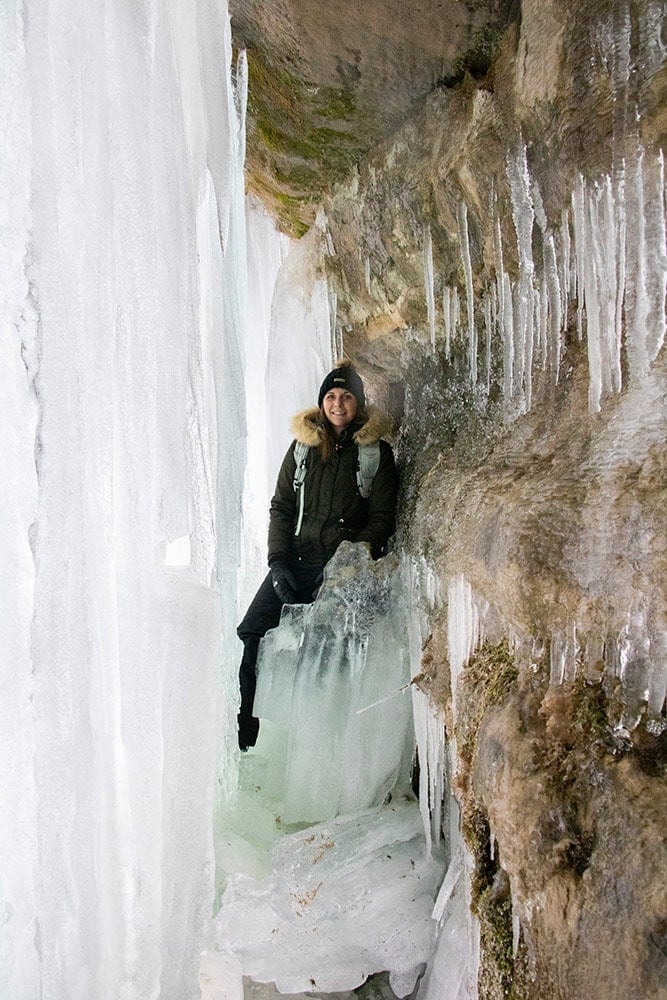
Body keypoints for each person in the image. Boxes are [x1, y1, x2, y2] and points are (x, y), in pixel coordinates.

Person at [237, 361, 399, 750]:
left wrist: (347, 562)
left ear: (358, 403)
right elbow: (281, 507)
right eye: (331, 396)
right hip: (296, 562)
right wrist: (278, 563)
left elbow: (382, 518)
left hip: (342, 570)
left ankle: (321, 742)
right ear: (321, 402)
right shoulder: (302, 449)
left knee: (325, 646)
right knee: (253, 632)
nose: (338, 404)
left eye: (346, 397)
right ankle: (247, 727)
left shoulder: (375, 454)